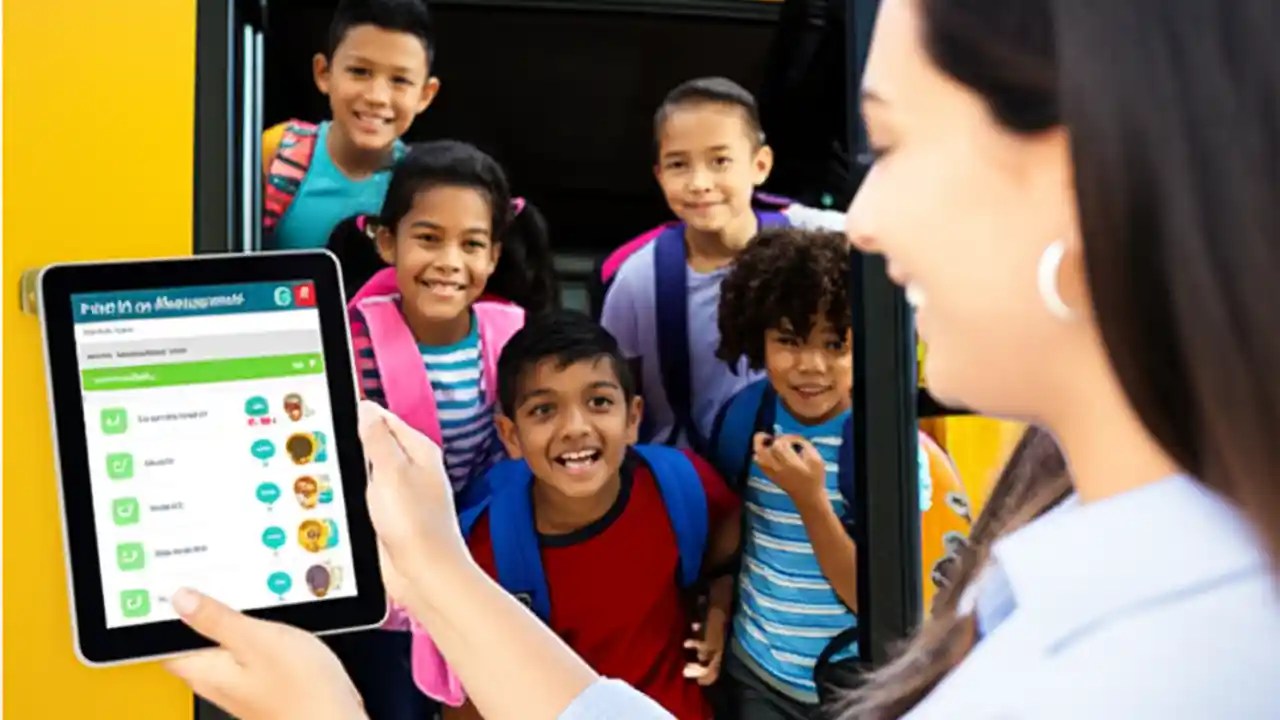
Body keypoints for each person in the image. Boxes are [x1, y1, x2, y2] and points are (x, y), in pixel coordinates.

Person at [163, 0, 1280, 717]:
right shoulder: (1097, 572)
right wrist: (436, 571)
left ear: (1083, 177)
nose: (863, 220)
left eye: (892, 144)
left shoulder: (1156, 665)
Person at [412, 311, 741, 719]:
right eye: (543, 410)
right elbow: (467, 702)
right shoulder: (481, 555)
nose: (575, 427)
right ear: (511, 436)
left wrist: (719, 607)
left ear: (633, 418)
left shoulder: (683, 486)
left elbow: (726, 556)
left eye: (599, 402)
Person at [335, 139, 557, 719]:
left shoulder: (512, 336)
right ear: (387, 241)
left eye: (471, 244)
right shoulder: (346, 341)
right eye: (429, 238)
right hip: (385, 592)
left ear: (494, 255)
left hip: (484, 575)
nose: (449, 262)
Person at [706, 227, 859, 717]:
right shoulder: (744, 417)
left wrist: (810, 499)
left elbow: (871, 597)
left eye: (835, 344)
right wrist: (716, 612)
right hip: (758, 673)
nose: (811, 365)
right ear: (759, 339)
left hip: (855, 680)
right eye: (789, 341)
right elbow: (732, 542)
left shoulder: (883, 441)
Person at [599, 76, 776, 451]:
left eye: (720, 161)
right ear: (659, 175)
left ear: (760, 165)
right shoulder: (638, 281)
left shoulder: (829, 239)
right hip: (690, 476)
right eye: (678, 164)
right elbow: (611, 398)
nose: (699, 182)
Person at [261, 0, 439, 250]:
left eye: (400, 80)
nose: (377, 97)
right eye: (359, 71)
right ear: (324, 73)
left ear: (425, 95)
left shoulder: (423, 187)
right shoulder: (278, 153)